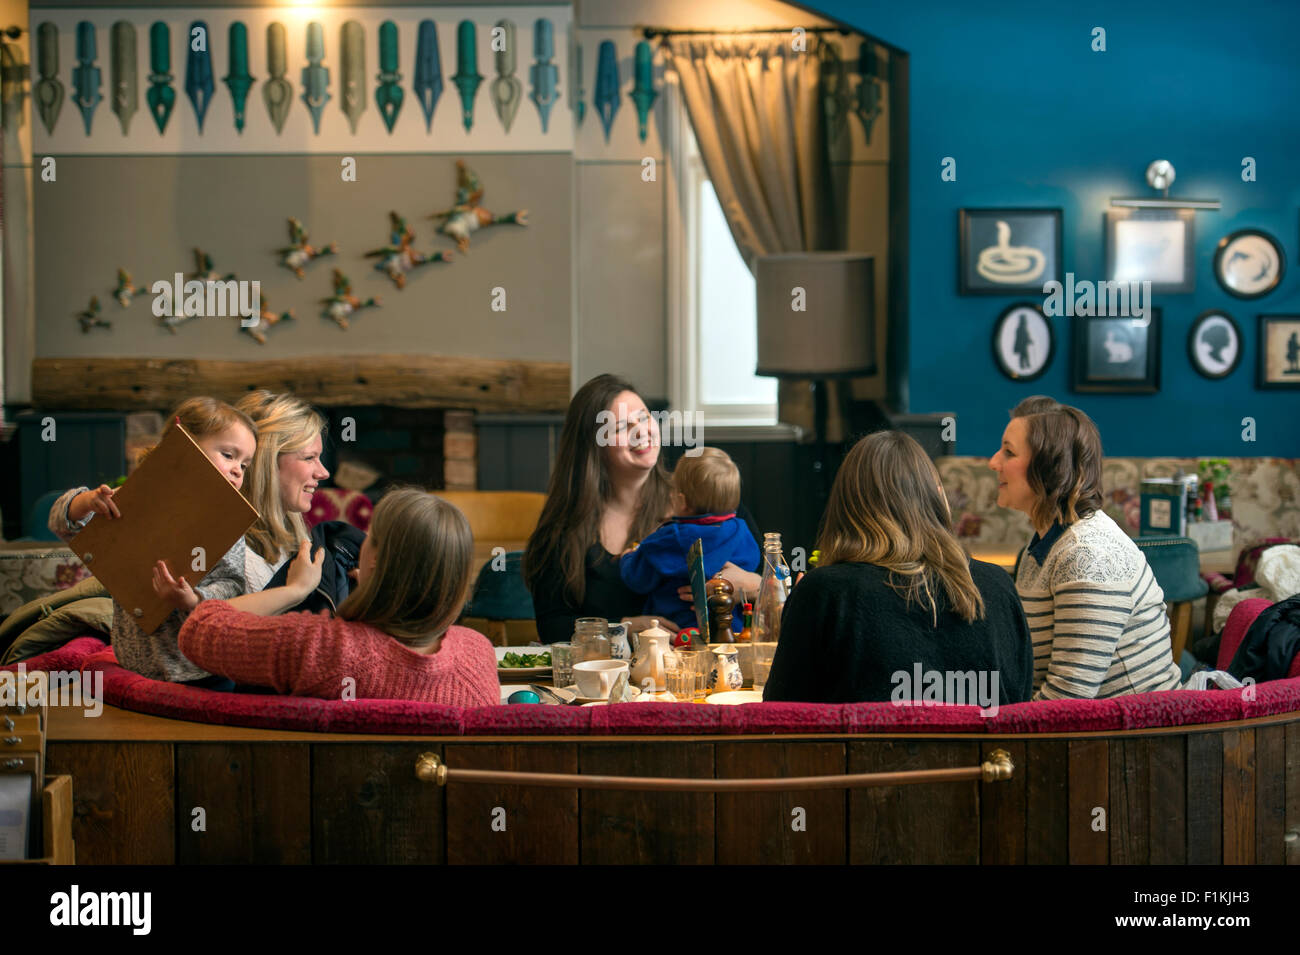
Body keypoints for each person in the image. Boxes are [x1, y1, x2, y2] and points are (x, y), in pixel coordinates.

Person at [763, 430, 1032, 705]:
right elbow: (1019, 707)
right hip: (985, 749)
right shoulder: (997, 584)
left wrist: (799, 616)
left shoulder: (823, 592)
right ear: (935, 498)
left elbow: (779, 717)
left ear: (846, 505)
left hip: (862, 749)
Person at [178, 488, 499, 705]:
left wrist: (295, 590)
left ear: (373, 561)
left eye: (370, 537)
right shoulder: (476, 654)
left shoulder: (317, 646)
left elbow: (199, 627)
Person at [46, 397, 259, 686]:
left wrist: (193, 599)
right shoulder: (135, 500)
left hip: (200, 670)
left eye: (245, 465)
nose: (238, 471)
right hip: (135, 665)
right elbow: (63, 524)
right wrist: (86, 502)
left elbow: (232, 584)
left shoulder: (226, 523)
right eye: (228, 455)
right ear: (182, 445)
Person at [989, 396, 1182, 699]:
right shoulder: (1044, 545)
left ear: (1051, 467)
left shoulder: (1088, 554)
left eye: (1008, 452)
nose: (993, 462)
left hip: (1136, 736)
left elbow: (1068, 700)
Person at [619, 447, 760, 630]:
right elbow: (753, 561)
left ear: (682, 501)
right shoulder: (741, 529)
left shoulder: (668, 538)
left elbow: (638, 579)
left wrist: (627, 558)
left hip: (678, 629)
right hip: (731, 629)